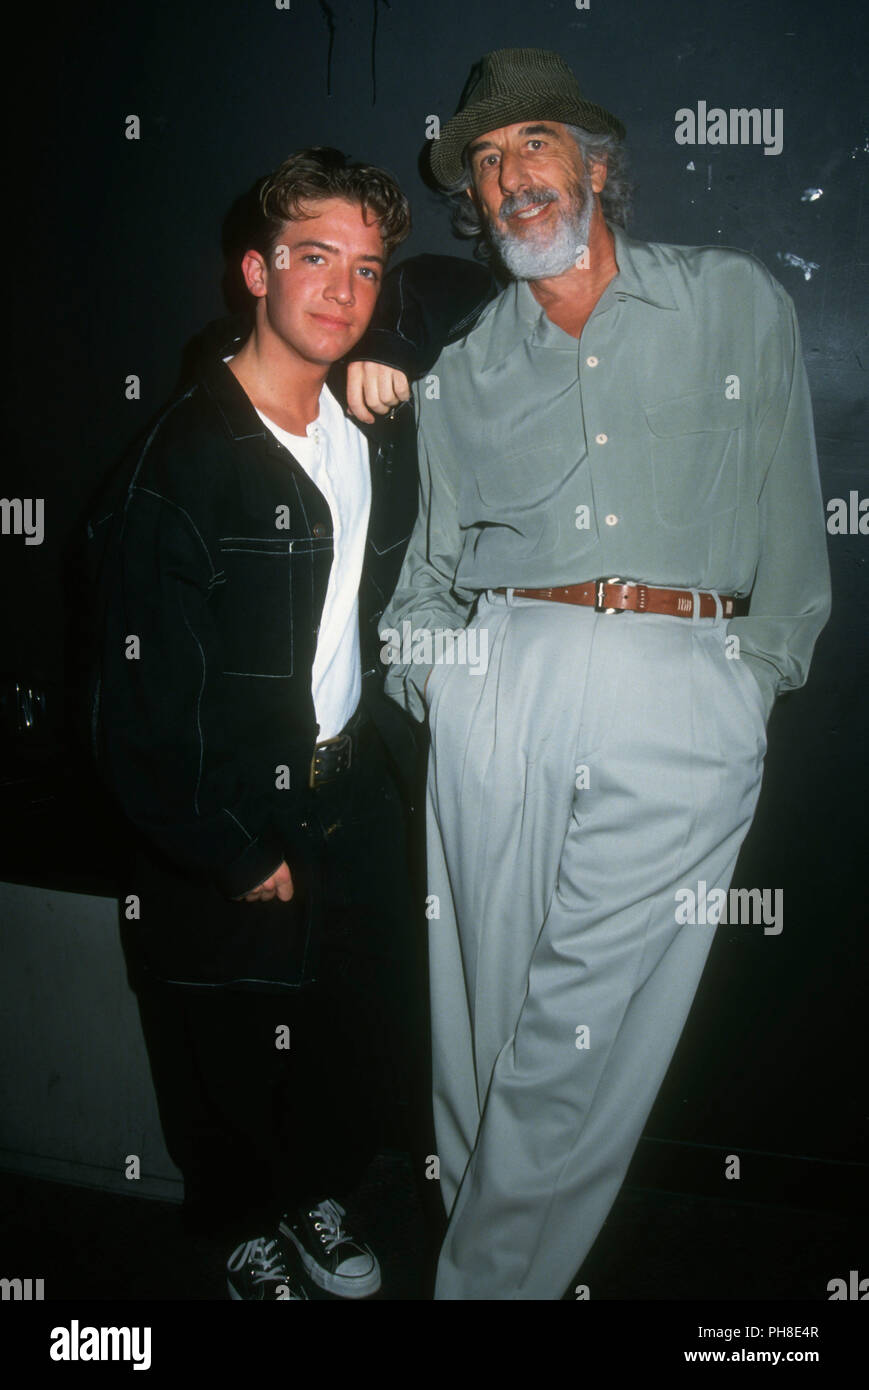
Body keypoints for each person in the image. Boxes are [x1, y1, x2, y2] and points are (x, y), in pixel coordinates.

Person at [376, 47, 832, 1299]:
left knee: (566, 1046)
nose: (510, 175)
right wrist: (450, 684)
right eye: (484, 157)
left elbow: (791, 535)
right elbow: (424, 577)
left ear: (593, 163)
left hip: (678, 688)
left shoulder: (732, 303)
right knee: (481, 1039)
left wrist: (746, 682)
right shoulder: (464, 369)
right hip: (501, 692)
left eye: (532, 143)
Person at [89, 147, 491, 1300]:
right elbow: (129, 701)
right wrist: (227, 842)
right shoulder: (177, 469)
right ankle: (238, 1228)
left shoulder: (364, 428)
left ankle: (313, 1196)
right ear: (253, 271)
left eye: (366, 271)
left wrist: (392, 341)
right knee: (220, 1038)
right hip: (228, 812)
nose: (341, 292)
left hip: (347, 794)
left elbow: (485, 287)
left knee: (338, 1021)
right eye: (313, 260)